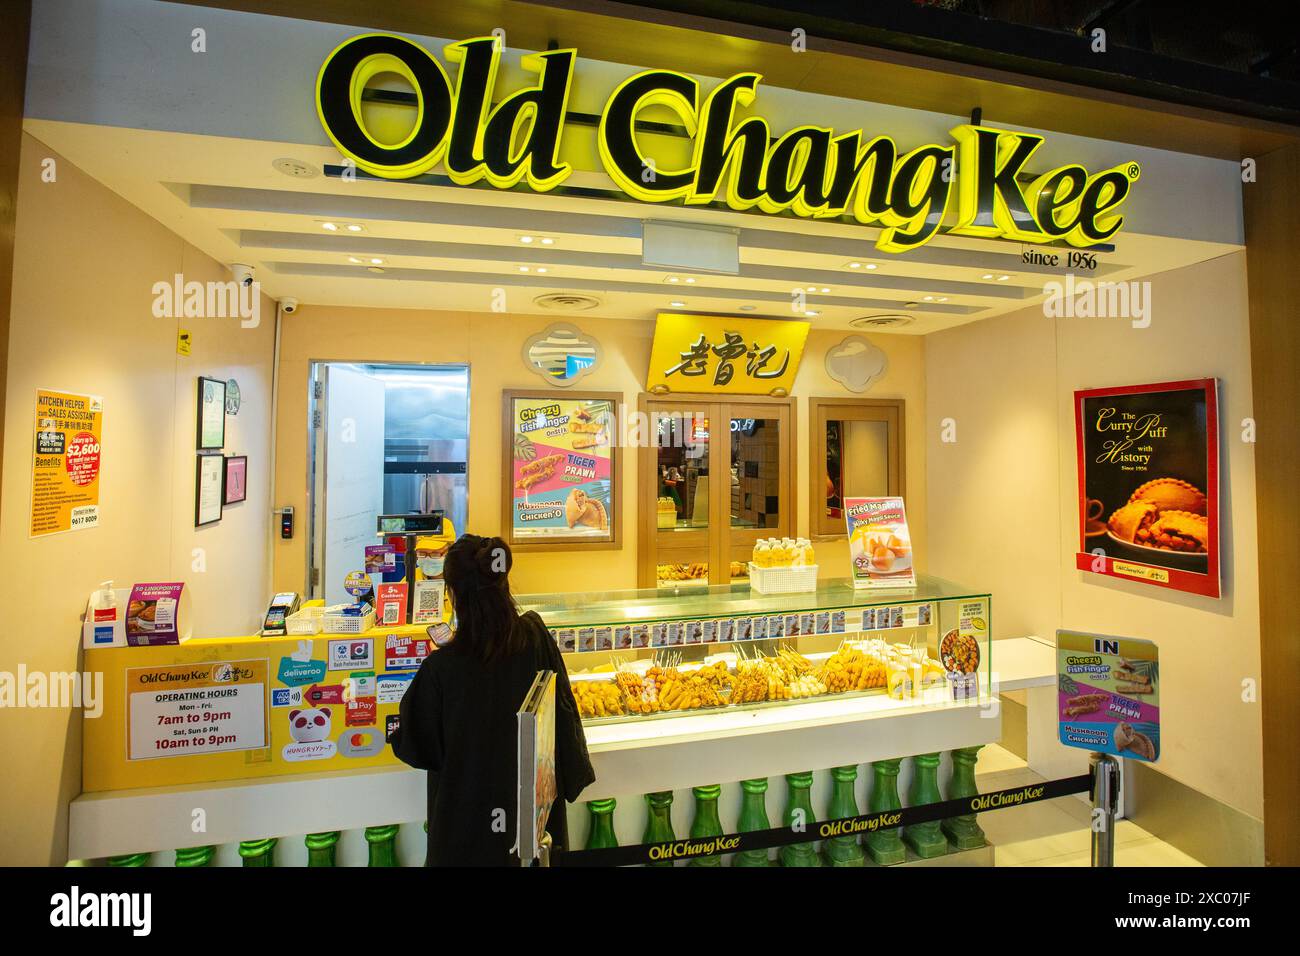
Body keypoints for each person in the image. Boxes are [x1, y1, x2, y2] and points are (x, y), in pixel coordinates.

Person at [391, 533, 595, 866]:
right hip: (532, 831)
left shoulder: (440, 667)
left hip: (465, 837)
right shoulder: (535, 636)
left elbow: (416, 745)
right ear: (504, 585)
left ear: (453, 594)